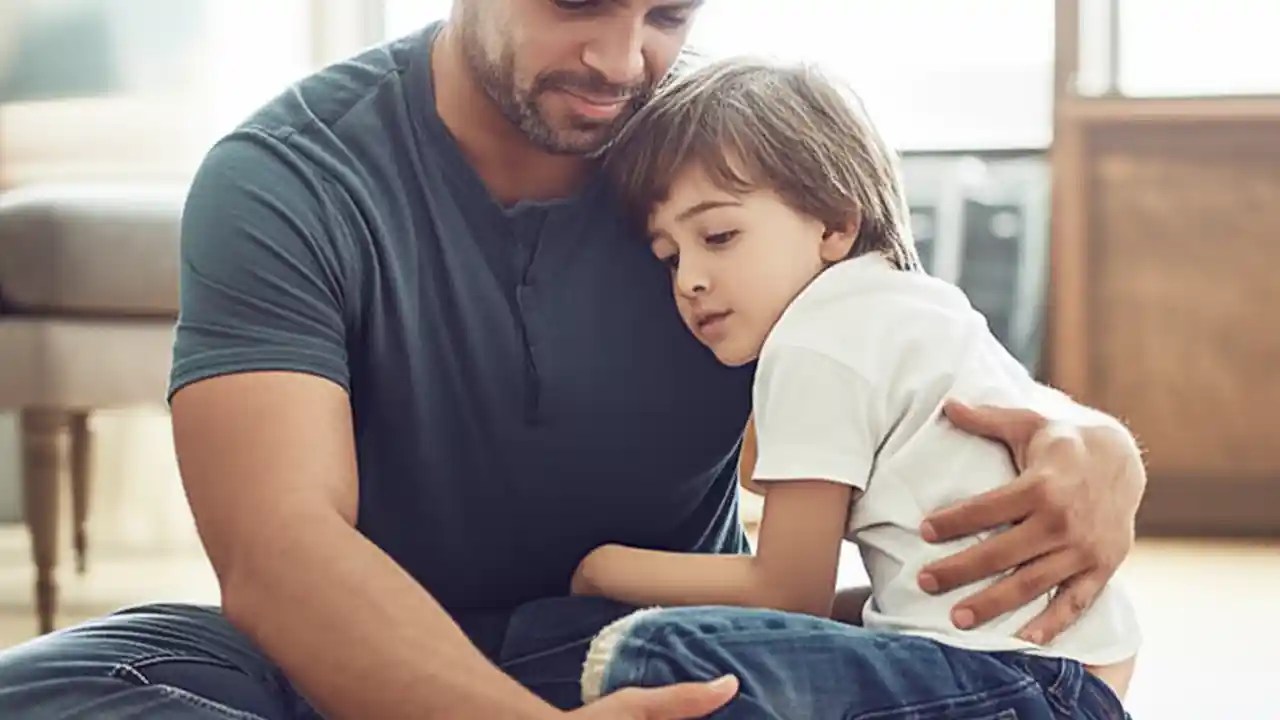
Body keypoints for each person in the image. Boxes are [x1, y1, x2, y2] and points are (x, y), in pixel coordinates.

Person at [0, 3, 1146, 719]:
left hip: (648, 667)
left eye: (667, 13)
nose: (618, 58)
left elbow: (901, 338)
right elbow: (278, 550)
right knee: (55, 689)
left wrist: (1087, 441)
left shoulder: (721, 165)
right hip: (355, 667)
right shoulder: (286, 179)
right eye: (578, 2)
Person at [570, 59, 1139, 719]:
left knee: (651, 653)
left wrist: (599, 568)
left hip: (1011, 680)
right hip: (1078, 674)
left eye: (719, 236)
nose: (690, 278)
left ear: (835, 224)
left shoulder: (813, 341)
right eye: (669, 257)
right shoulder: (914, 301)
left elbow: (788, 592)